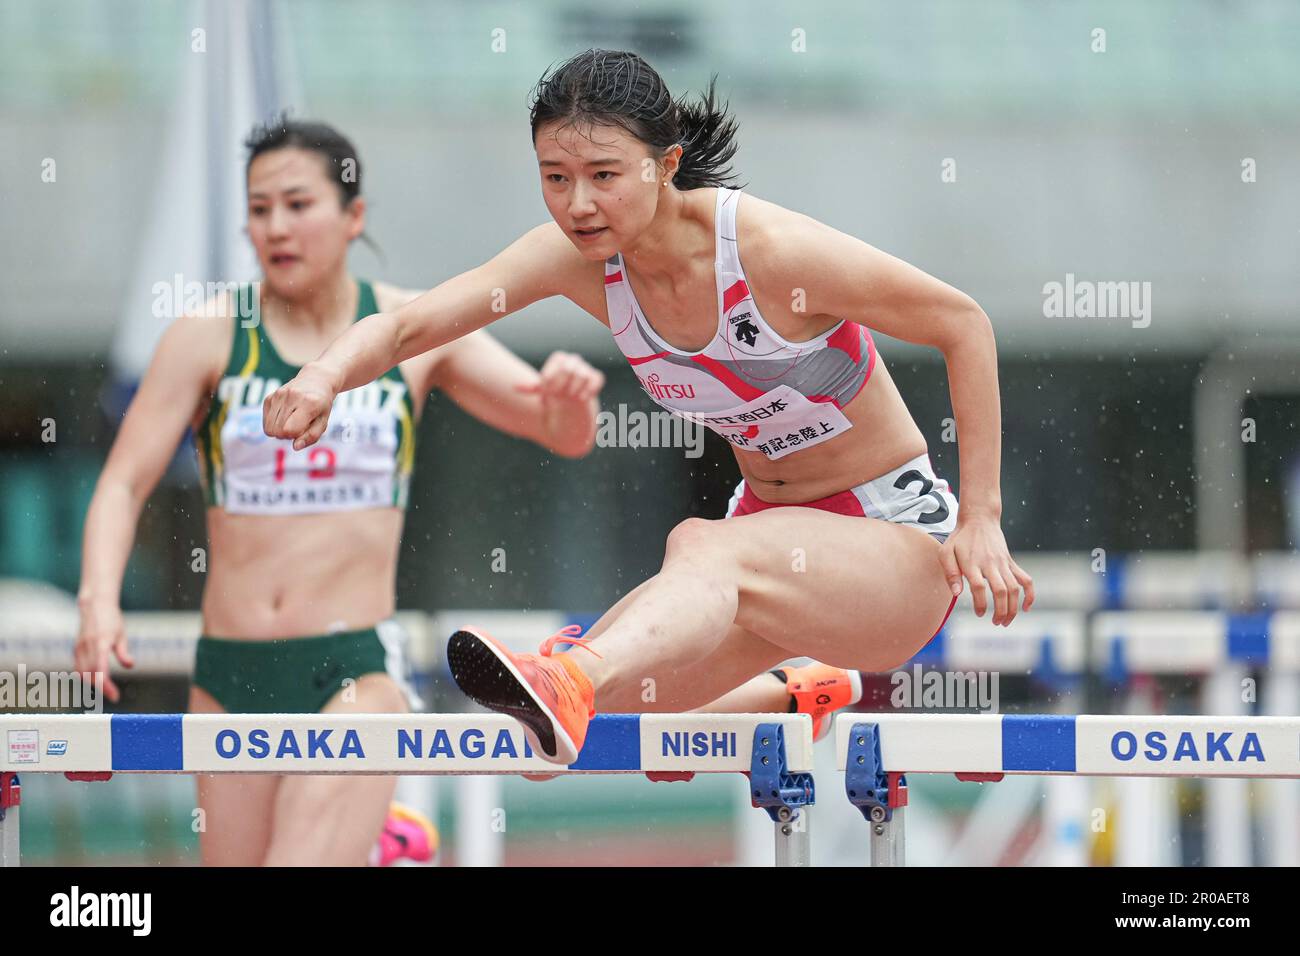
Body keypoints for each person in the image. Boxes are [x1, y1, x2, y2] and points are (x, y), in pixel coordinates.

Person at [263, 50, 1035, 766]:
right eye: (555, 177)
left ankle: (576, 672)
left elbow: (962, 323)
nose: (579, 204)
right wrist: (324, 376)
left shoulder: (770, 252)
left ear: (666, 165)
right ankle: (798, 694)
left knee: (685, 558)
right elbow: (407, 324)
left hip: (891, 544)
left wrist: (982, 516)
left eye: (604, 174)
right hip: (763, 544)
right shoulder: (576, 263)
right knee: (550, 739)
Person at [73, 117, 605, 864]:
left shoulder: (408, 329)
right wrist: (98, 600)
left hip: (352, 670)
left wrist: (569, 399)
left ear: (353, 216)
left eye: (297, 204)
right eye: (258, 210)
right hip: (230, 670)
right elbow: (124, 484)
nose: (275, 227)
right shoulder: (208, 336)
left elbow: (560, 431)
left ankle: (366, 830)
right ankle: (381, 842)